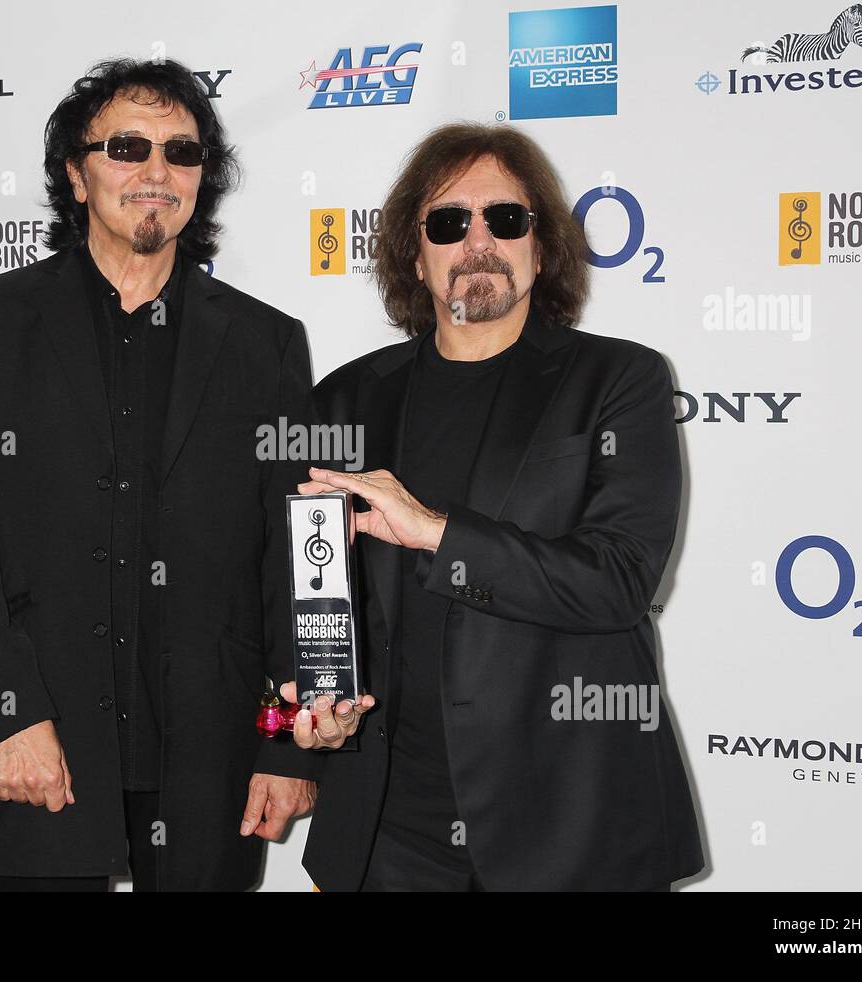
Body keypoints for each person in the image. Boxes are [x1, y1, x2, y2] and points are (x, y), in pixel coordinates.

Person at [0, 58, 317, 892]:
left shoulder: (266, 345)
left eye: (181, 152)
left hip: (209, 755)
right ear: (75, 171)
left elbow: (293, 561)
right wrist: (9, 716)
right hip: (46, 739)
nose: (155, 173)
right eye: (128, 146)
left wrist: (283, 738)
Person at [283, 122, 704, 891]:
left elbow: (619, 581)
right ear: (416, 255)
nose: (478, 241)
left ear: (542, 247)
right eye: (448, 223)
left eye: (505, 219)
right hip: (387, 831)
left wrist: (437, 533)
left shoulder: (620, 381)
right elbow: (308, 597)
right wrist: (315, 706)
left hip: (571, 825)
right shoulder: (344, 399)